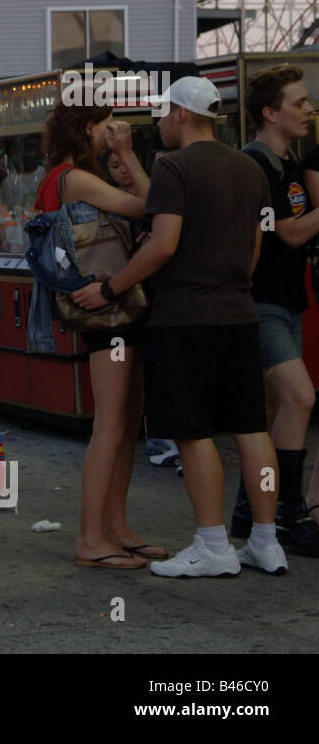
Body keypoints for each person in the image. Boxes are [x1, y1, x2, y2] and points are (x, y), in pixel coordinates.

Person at [72, 76, 287, 577]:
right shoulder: (249, 168)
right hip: (240, 312)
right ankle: (265, 541)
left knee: (192, 433)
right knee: (252, 429)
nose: (161, 124)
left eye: (164, 114)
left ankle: (212, 545)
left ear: (182, 115)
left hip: (186, 317)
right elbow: (254, 249)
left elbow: (163, 243)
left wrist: (110, 288)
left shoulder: (174, 168)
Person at [36, 100, 157, 571]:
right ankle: (91, 536)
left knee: (126, 423)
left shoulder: (66, 177)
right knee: (111, 423)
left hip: (111, 309)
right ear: (88, 128)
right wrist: (128, 154)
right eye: (107, 125)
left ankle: (116, 527)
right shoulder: (72, 178)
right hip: (105, 312)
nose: (115, 130)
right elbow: (152, 203)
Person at [233, 64, 319, 556]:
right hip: (260, 302)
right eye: (298, 102)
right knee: (300, 399)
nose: (309, 109)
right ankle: (287, 514)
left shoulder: (285, 164)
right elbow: (288, 233)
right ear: (270, 112)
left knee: (268, 411)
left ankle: (251, 508)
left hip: (285, 301)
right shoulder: (257, 164)